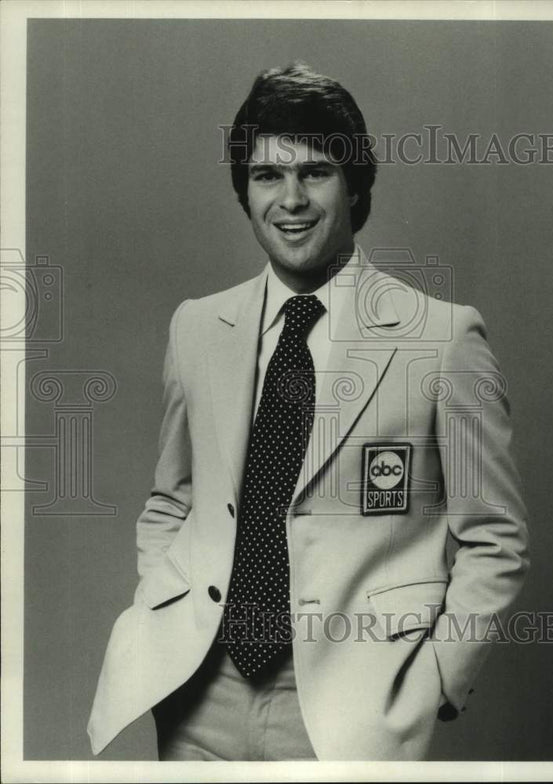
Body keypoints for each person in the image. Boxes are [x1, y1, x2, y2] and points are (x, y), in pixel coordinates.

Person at [88, 62, 529, 761]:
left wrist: (438, 680)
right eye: (267, 176)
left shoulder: (442, 338)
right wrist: (162, 605)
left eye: (315, 173)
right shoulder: (198, 328)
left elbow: (494, 539)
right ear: (245, 192)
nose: (290, 200)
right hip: (198, 691)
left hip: (348, 709)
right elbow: (171, 499)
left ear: (355, 185)